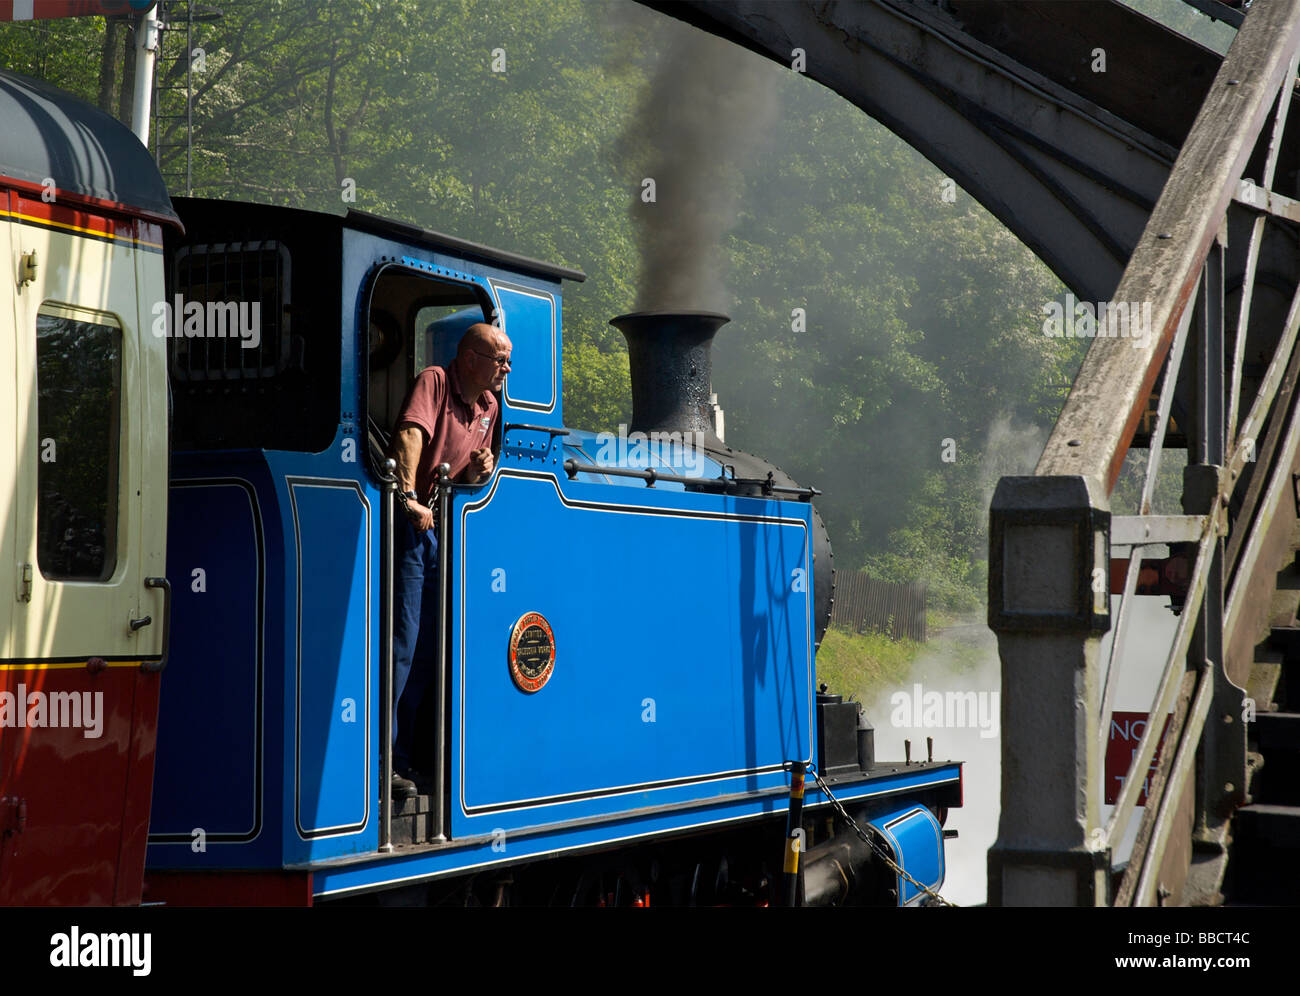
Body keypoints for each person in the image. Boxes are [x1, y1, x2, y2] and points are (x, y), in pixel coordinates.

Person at [389, 321, 512, 799]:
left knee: (429, 650)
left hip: (445, 534)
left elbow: (480, 467)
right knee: (403, 641)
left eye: (507, 359)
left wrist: (483, 468)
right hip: (412, 526)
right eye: (498, 358)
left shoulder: (490, 407)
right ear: (467, 358)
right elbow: (409, 438)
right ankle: (381, 762)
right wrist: (407, 497)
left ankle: (410, 757)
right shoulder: (435, 381)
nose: (506, 368)